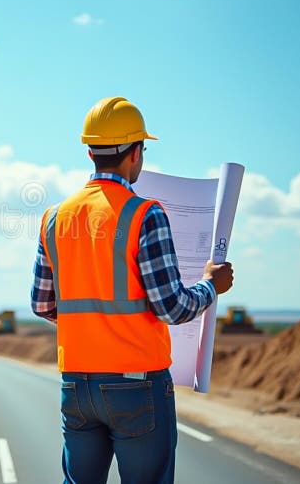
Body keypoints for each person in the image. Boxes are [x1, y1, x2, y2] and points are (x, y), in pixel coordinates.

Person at [30, 96, 234, 484]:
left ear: (90, 151)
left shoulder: (54, 218)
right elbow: (172, 308)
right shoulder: (145, 213)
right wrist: (212, 285)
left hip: (76, 383)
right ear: (135, 153)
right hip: (135, 384)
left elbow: (42, 303)